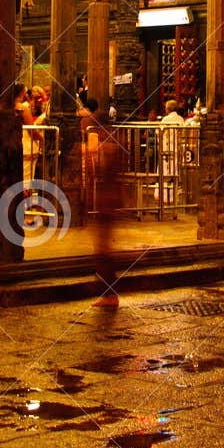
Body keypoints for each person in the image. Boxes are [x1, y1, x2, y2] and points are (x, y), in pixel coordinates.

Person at [86, 102, 129, 308]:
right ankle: (108, 292)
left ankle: (110, 294)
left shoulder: (110, 147)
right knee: (102, 248)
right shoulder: (110, 145)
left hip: (107, 200)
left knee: (103, 250)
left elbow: (106, 174)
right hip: (109, 200)